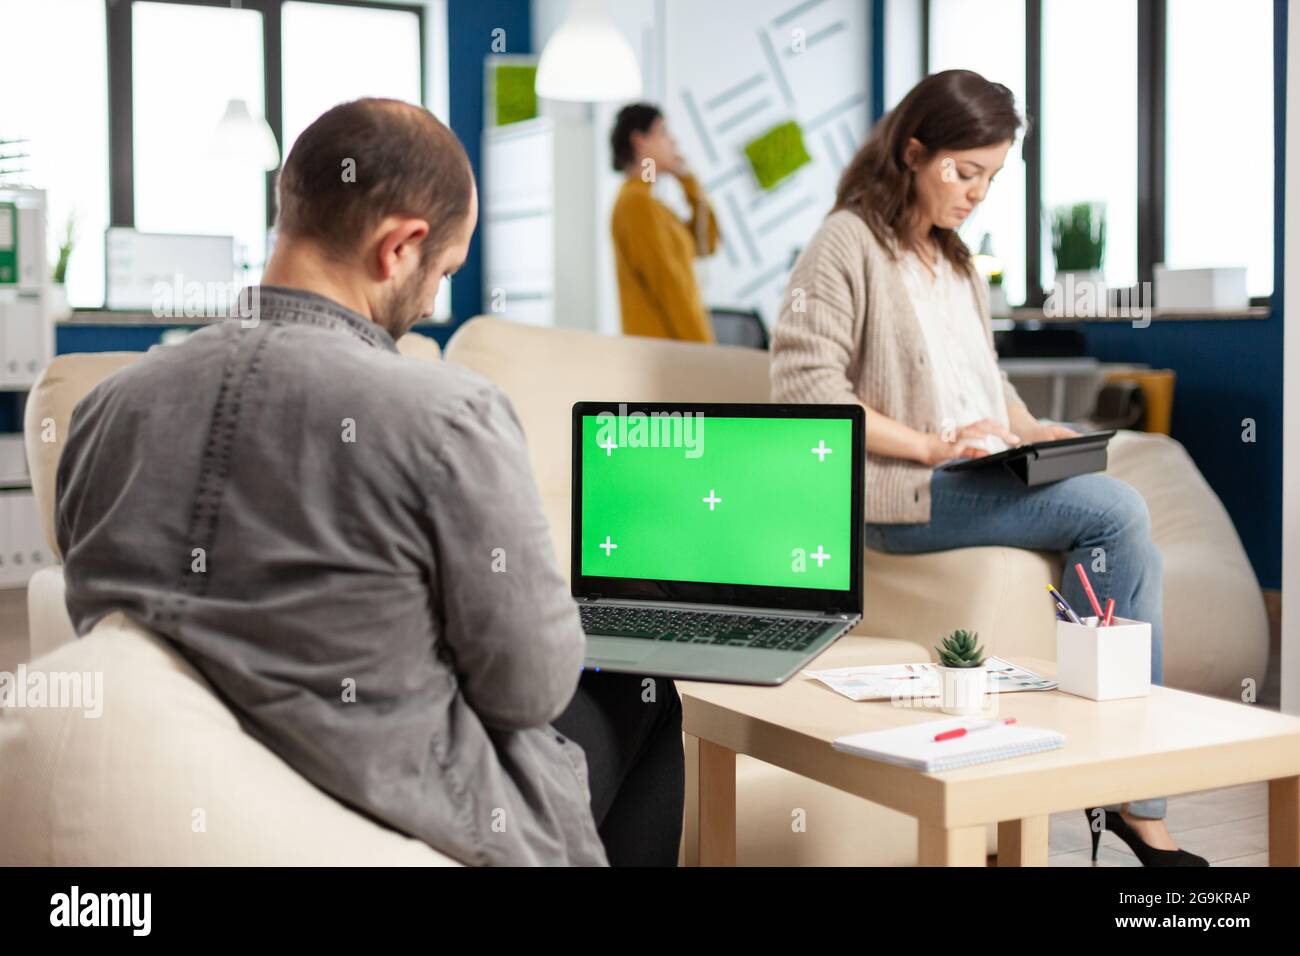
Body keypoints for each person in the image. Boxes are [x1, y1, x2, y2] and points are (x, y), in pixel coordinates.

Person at [56, 99, 683, 867]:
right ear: (400, 246)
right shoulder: (447, 415)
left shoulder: (105, 410)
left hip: (188, 798)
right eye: (443, 272)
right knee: (643, 681)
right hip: (407, 803)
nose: (429, 305)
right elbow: (527, 693)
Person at [770, 70, 1206, 867]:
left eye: (992, 178)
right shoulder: (846, 243)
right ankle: (1132, 796)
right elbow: (807, 396)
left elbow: (984, 381)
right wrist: (934, 446)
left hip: (973, 474)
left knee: (1115, 521)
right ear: (913, 152)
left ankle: (1100, 776)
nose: (977, 193)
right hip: (901, 490)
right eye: (964, 172)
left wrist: (1035, 429)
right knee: (1112, 513)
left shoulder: (957, 260)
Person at [609, 102, 721, 341]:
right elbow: (671, 290)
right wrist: (706, 353)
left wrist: (686, 180)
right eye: (664, 133)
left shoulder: (655, 207)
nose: (673, 142)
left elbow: (707, 243)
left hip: (674, 354)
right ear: (640, 141)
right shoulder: (636, 205)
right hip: (665, 357)